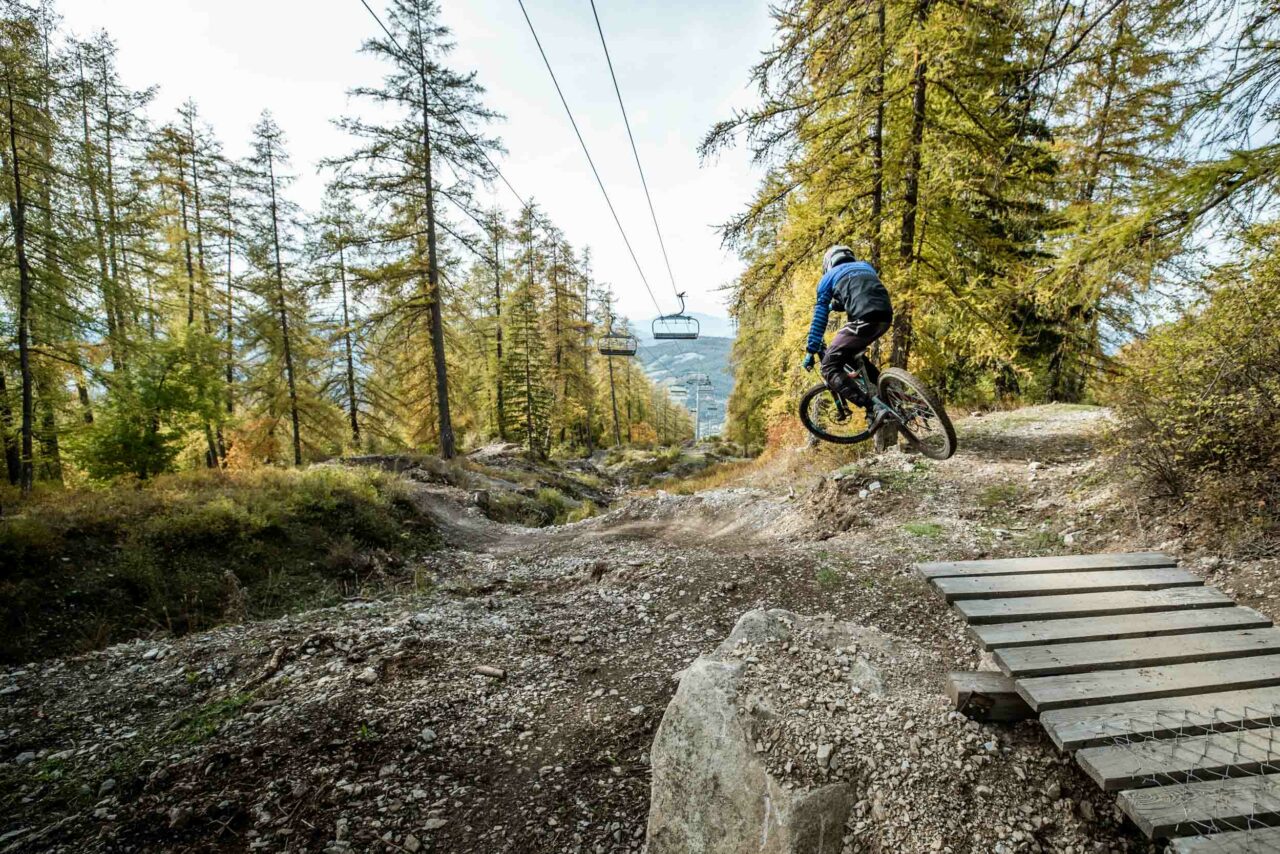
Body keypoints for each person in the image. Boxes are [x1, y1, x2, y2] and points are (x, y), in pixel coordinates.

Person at [802, 245, 893, 410]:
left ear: (828, 263)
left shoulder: (827, 278)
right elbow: (859, 290)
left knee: (828, 367)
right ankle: (895, 396)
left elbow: (819, 318)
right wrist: (834, 306)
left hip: (863, 320)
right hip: (885, 316)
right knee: (849, 355)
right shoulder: (865, 267)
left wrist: (811, 349)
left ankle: (872, 407)